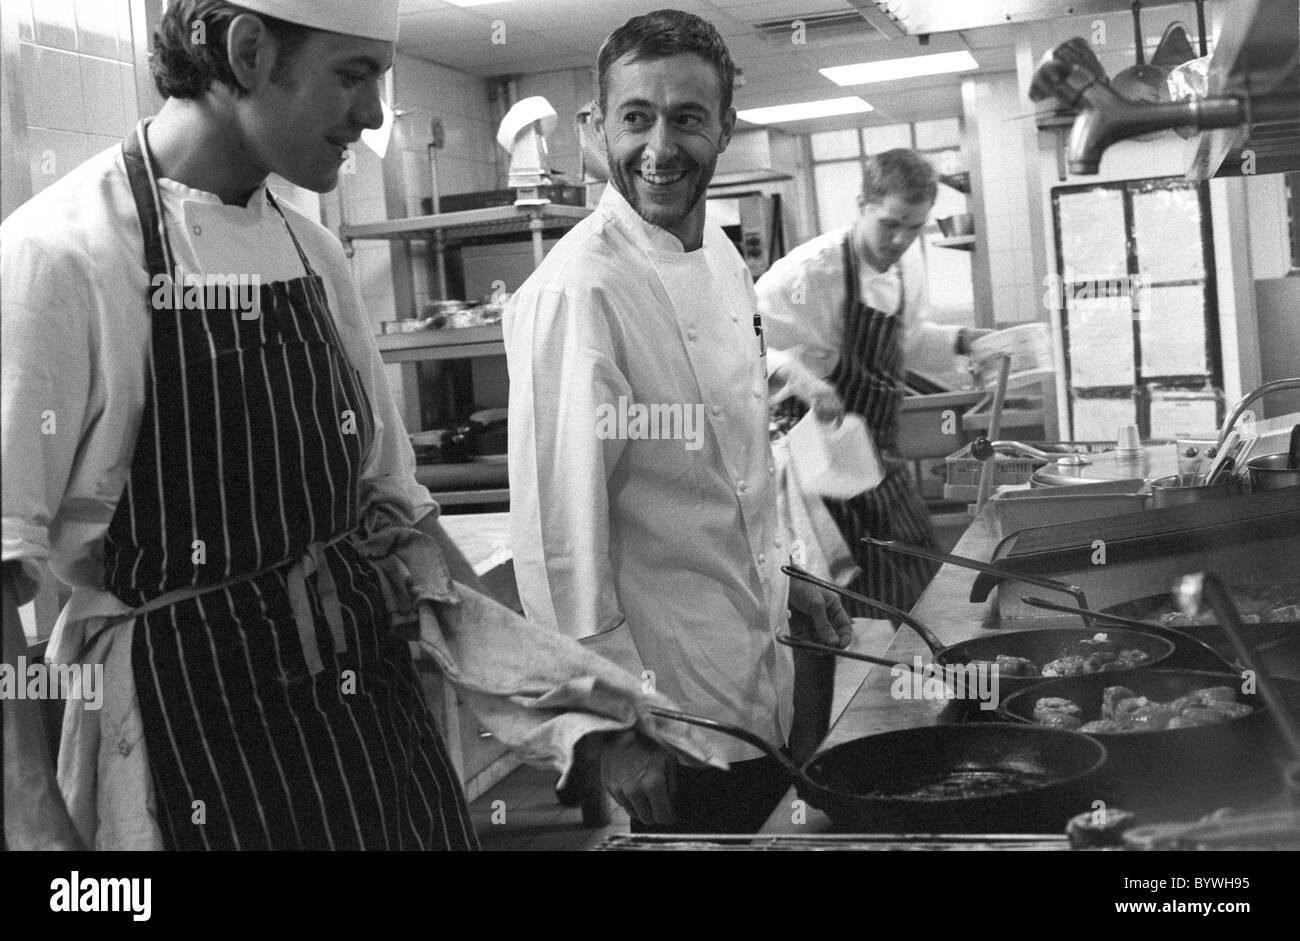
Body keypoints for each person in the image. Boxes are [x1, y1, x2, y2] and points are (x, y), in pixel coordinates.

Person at [1, 0, 699, 852]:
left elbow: (399, 521)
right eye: (353, 74)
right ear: (249, 51)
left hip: (370, 728)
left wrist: (567, 701)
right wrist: (31, 819)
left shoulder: (314, 255)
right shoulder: (61, 255)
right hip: (189, 731)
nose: (373, 114)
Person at [505, 9, 852, 835]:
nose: (660, 148)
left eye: (687, 118)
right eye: (637, 118)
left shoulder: (725, 259)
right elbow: (559, 550)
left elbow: (726, 475)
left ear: (726, 125)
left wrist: (785, 581)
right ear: (598, 127)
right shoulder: (576, 292)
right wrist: (610, 733)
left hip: (754, 680)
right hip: (665, 722)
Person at [757, 149, 991, 616]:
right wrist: (802, 378)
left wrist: (967, 340)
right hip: (814, 465)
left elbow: (907, 342)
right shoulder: (808, 273)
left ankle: (916, 685)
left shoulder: (906, 268)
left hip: (878, 458)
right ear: (863, 203)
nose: (900, 240)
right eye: (890, 224)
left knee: (919, 586)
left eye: (915, 228)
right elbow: (741, 340)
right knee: (834, 607)